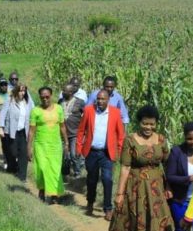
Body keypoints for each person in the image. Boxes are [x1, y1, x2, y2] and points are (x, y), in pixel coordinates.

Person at [101, 105, 175, 231]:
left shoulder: (161, 140)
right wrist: (119, 194)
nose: (148, 127)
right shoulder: (130, 140)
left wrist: (169, 187)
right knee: (136, 225)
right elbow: (125, 167)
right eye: (145, 124)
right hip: (136, 189)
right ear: (139, 123)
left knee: (156, 226)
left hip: (156, 190)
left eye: (152, 124)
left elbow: (167, 164)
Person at [77, 89, 125, 220]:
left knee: (107, 179)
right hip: (91, 151)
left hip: (107, 153)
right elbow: (81, 130)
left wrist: (119, 152)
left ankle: (108, 208)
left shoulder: (115, 113)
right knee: (92, 179)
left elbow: (120, 135)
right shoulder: (88, 110)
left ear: (108, 100)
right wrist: (78, 148)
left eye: (103, 99)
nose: (100, 101)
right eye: (98, 98)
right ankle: (90, 203)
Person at [28, 86, 69, 204]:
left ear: (51, 96)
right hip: (40, 145)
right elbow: (31, 131)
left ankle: (54, 194)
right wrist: (28, 147)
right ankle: (42, 190)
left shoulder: (59, 109)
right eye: (42, 97)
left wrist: (66, 143)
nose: (45, 99)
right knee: (41, 168)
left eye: (47, 96)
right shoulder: (35, 111)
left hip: (55, 146)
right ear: (40, 97)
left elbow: (62, 127)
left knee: (55, 169)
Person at [0, 82, 33, 182]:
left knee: (23, 153)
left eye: (24, 91)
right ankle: (13, 167)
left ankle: (22, 177)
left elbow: (33, 112)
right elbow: (2, 113)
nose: (22, 93)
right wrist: (1, 127)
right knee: (13, 152)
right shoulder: (10, 100)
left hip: (23, 131)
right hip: (11, 130)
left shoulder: (27, 102)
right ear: (16, 91)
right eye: (20, 91)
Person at [60, 83, 86, 178]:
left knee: (74, 155)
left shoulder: (80, 102)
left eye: (64, 91)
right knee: (64, 155)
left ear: (71, 92)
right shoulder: (60, 102)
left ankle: (77, 172)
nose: (62, 92)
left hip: (75, 133)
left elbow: (85, 115)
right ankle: (65, 175)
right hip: (62, 133)